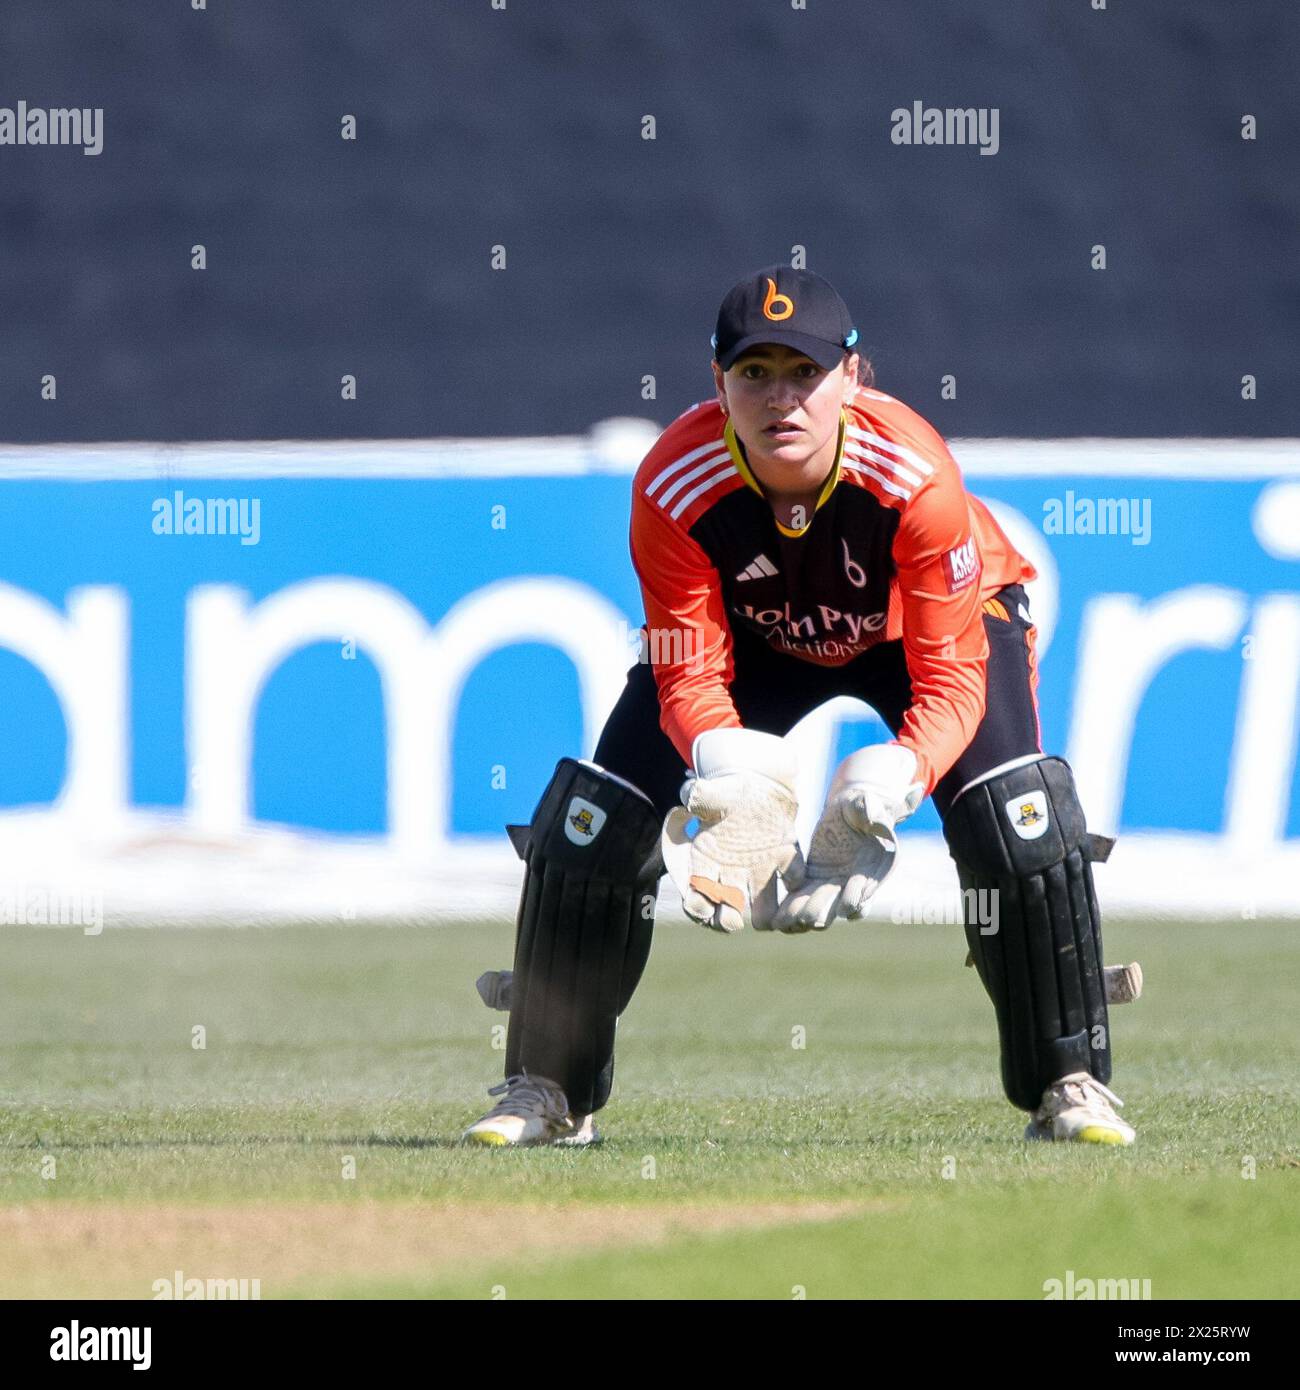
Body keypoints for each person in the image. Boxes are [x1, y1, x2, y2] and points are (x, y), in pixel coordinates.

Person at [463, 265, 1137, 1148]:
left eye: (804, 373)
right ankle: (546, 1089)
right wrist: (726, 768)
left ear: (852, 379)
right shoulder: (672, 485)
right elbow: (686, 669)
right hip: (757, 642)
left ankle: (1069, 1083)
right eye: (755, 374)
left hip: (917, 638)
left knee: (1019, 819)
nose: (781, 399)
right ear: (718, 383)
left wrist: (899, 775)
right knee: (593, 821)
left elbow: (951, 680)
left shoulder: (915, 478)